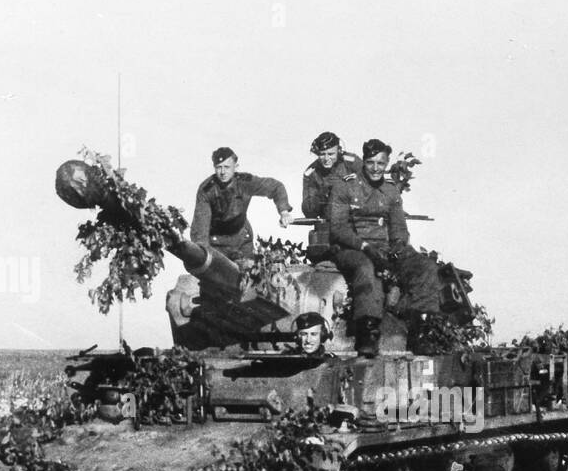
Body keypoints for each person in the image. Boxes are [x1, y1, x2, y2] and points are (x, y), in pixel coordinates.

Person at [327, 138, 443, 357]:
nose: (376, 168)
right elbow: (338, 229)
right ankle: (368, 335)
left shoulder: (391, 191)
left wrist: (397, 249)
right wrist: (366, 247)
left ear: (387, 163)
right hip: (352, 248)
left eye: (381, 163)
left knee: (424, 268)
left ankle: (419, 332)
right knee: (366, 268)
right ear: (364, 162)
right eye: (370, 162)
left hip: (385, 248)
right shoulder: (345, 186)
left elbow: (399, 228)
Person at [188, 146, 294, 302]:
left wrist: (283, 211)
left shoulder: (245, 182)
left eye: (226, 167)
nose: (222, 172)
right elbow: (200, 228)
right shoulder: (207, 190)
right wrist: (204, 256)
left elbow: (275, 187)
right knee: (214, 292)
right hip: (217, 244)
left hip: (242, 240)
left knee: (249, 288)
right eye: (218, 167)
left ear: (235, 167)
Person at [301, 132, 362, 263]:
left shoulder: (352, 163)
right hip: (328, 231)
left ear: (339, 151)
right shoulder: (311, 173)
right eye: (322, 154)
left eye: (331, 154)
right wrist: (322, 193)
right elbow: (308, 210)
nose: (326, 158)